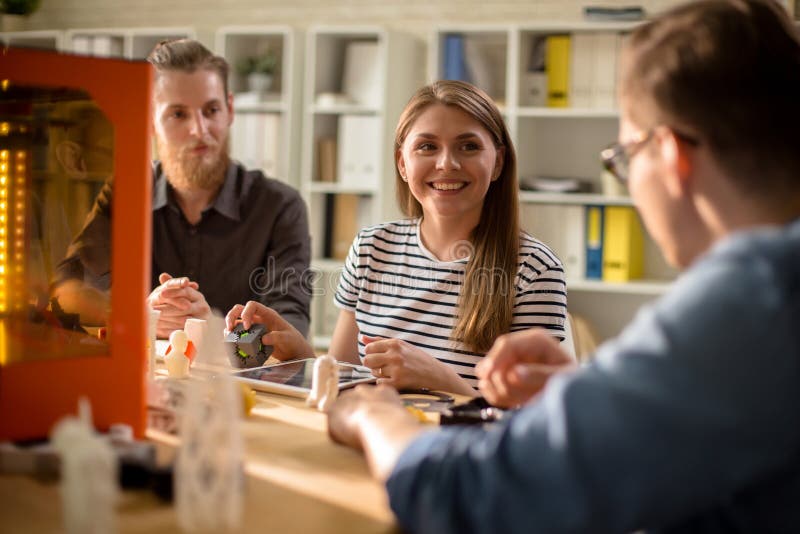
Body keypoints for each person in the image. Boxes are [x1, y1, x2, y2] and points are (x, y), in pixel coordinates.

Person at [327, 1, 800, 531]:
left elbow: (468, 496)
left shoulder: (752, 299)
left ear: (669, 157)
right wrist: (585, 393)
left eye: (623, 157)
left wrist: (376, 415)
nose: (446, 164)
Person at [227, 80, 567, 395]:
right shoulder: (370, 248)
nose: (447, 163)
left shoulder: (535, 269)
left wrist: (443, 380)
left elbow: (533, 425)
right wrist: (297, 351)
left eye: (468, 146)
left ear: (497, 163)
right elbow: (345, 381)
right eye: (427, 147)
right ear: (402, 164)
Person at [52, 39, 311, 338]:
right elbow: (65, 291)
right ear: (149, 120)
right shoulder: (126, 191)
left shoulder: (281, 206)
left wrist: (211, 330)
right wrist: (142, 315)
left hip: (237, 385)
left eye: (211, 110)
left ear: (229, 110)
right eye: (178, 114)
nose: (199, 130)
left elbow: (292, 330)